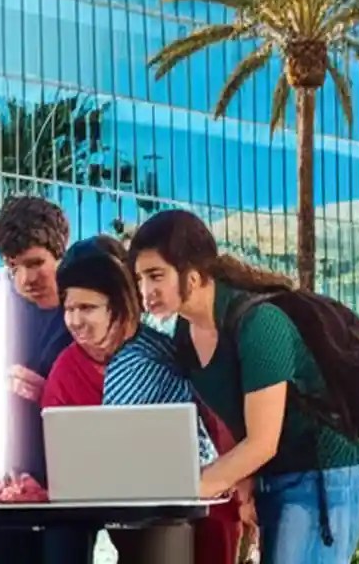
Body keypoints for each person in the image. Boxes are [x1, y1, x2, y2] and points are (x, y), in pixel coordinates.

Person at [129, 209, 359, 563]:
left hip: (324, 479)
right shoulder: (185, 333)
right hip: (273, 478)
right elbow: (230, 416)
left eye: (155, 276)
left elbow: (262, 441)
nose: (145, 291)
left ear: (193, 276)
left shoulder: (260, 324)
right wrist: (243, 486)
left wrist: (189, 489)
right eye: (139, 279)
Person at [38, 235, 247, 564]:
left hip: (204, 510)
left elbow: (221, 427)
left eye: (88, 308)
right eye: (69, 309)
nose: (75, 321)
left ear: (120, 305)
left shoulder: (169, 355)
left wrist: (244, 489)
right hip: (130, 519)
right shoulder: (65, 371)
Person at [0, 196, 84, 564]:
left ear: (59, 255)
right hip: (3, 488)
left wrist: (46, 392)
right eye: (12, 266)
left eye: (35, 264)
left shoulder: (85, 313)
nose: (25, 279)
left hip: (66, 489)